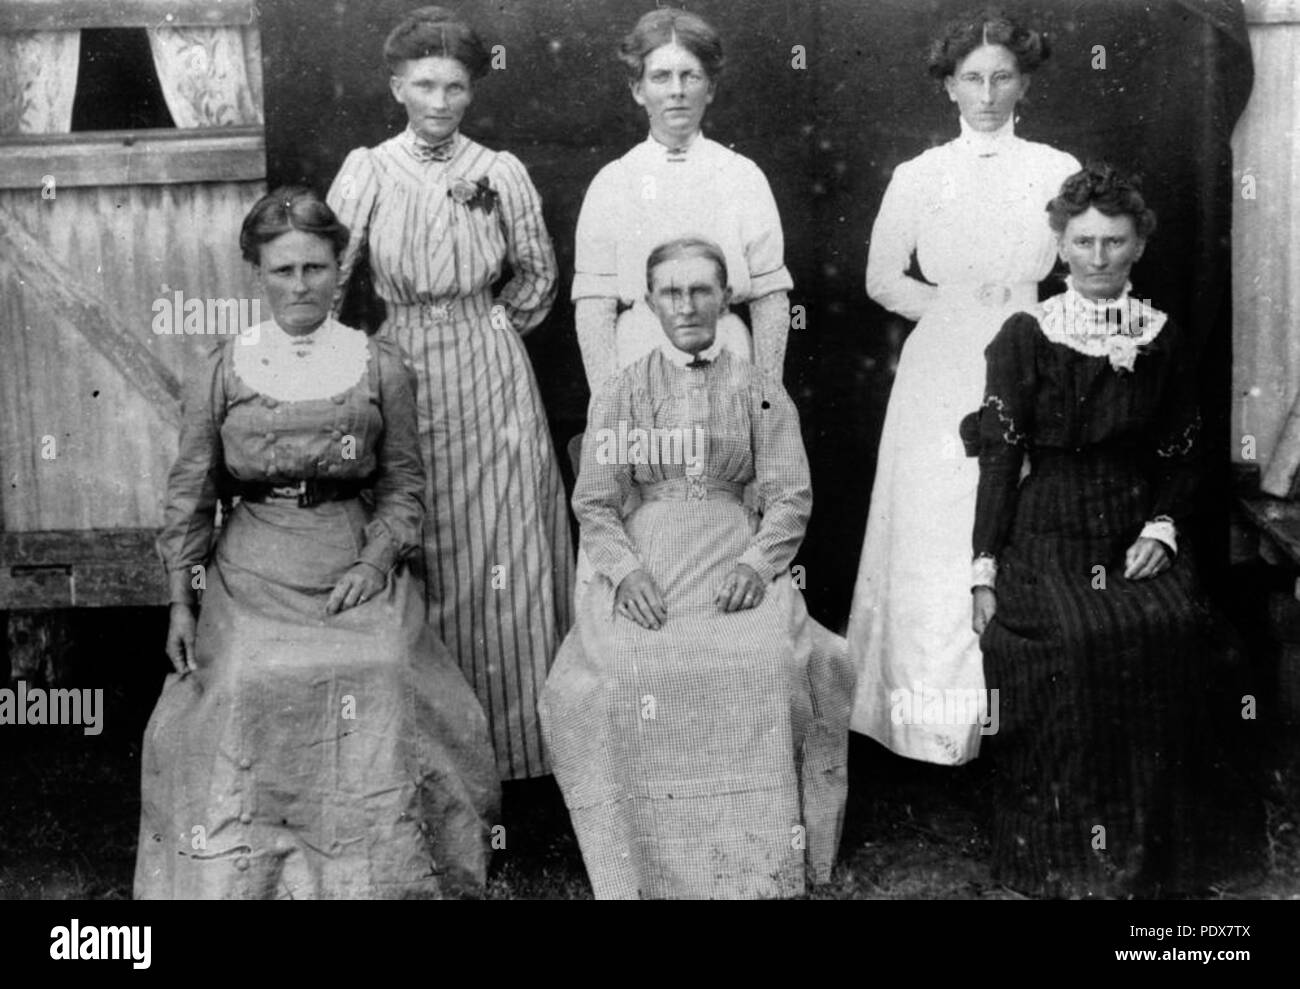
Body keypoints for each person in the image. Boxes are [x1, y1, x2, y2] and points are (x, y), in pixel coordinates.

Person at [135, 187, 500, 899]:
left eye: (314, 268)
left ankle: (383, 876)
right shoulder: (223, 368)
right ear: (258, 274)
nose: (299, 285)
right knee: (244, 676)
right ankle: (256, 876)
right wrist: (181, 602)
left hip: (350, 554)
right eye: (282, 270)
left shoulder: (378, 365)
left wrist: (373, 560)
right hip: (254, 561)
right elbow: (191, 493)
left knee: (385, 666)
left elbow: (402, 485)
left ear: (340, 269)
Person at [969, 163, 1256, 896]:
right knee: (1071, 636)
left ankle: (1160, 857)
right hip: (1051, 523)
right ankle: (1067, 857)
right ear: (1061, 245)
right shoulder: (1025, 335)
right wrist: (983, 567)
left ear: (1137, 246)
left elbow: (1185, 449)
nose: (1098, 258)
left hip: (1133, 516)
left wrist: (1162, 527)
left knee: (1170, 626)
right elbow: (1001, 457)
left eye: (1114, 242)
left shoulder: (1161, 336)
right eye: (1084, 241)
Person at [540, 237, 855, 899]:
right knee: (621, 674)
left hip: (731, 551)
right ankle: (648, 865)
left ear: (723, 298)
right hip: (651, 552)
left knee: (763, 663)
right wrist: (624, 571)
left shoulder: (760, 389)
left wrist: (755, 562)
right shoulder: (624, 390)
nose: (686, 304)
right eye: (671, 292)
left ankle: (754, 862)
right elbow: (596, 499)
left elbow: (790, 494)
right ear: (650, 301)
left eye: (701, 290)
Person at [327, 7, 572, 781]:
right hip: (402, 365)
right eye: (425, 84)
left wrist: (491, 329)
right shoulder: (367, 167)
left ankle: (526, 758)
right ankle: (438, 758)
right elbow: (329, 279)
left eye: (455, 87)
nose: (439, 101)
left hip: (492, 371)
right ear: (398, 85)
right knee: (422, 539)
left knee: (509, 550)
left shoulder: (499, 171)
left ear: (472, 92)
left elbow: (536, 275)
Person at [846, 6, 1080, 765]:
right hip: (942, 362)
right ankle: (928, 725)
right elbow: (883, 278)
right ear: (949, 87)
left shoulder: (1054, 169)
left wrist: (1025, 320)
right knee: (935, 528)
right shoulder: (920, 175)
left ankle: (1013, 719)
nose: (987, 94)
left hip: (1031, 350)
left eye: (1002, 77)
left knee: (1016, 512)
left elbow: (1083, 265)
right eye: (972, 79)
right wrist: (952, 311)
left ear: (1024, 83)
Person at [572, 7, 794, 388]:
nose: (676, 90)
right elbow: (594, 304)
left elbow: (770, 294)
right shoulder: (613, 181)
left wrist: (768, 393)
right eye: (661, 77)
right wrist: (605, 398)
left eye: (690, 76)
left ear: (709, 88)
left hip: (727, 354)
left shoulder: (742, 175)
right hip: (640, 355)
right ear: (638, 90)